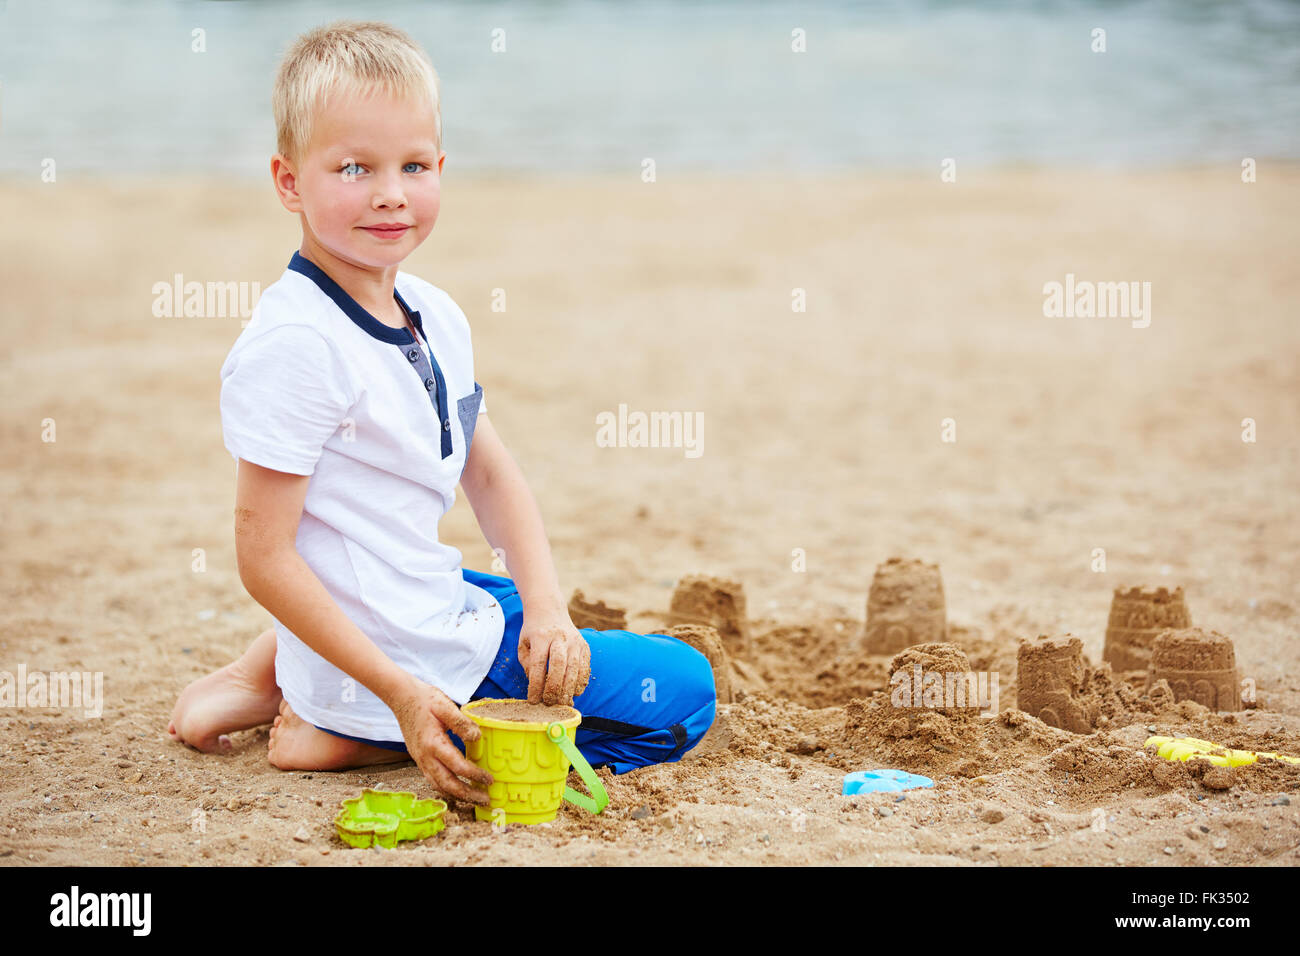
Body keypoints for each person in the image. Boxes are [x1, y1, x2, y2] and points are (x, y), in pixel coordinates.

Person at [167, 20, 716, 807]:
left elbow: (488, 471)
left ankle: (269, 675)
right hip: (398, 654)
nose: (390, 191)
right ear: (289, 182)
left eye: (413, 165)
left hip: (407, 598)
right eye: (354, 167)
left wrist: (551, 609)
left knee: (512, 597)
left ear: (440, 168)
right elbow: (265, 557)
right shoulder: (296, 344)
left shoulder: (431, 311)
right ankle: (350, 734)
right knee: (685, 692)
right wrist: (398, 695)